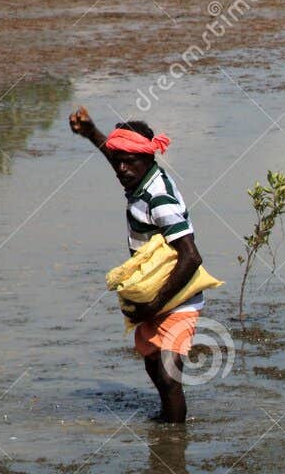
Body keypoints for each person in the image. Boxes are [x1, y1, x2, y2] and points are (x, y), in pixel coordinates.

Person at [68, 107, 206, 424]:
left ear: (149, 157)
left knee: (170, 377)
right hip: (153, 290)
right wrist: (91, 133)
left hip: (178, 295)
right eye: (118, 160)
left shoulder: (160, 199)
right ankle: (167, 427)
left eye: (131, 160)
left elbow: (191, 257)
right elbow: (120, 157)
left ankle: (172, 451)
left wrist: (154, 307)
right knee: (153, 366)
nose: (122, 168)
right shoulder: (140, 178)